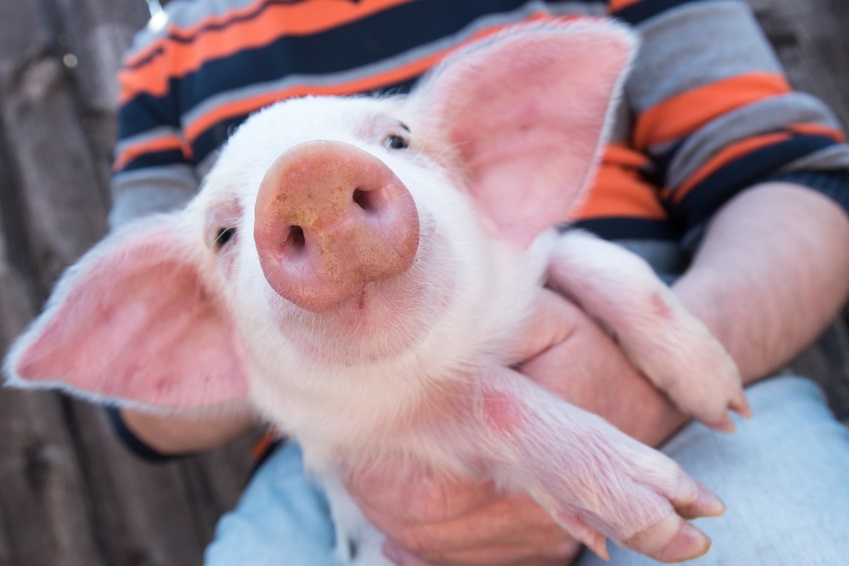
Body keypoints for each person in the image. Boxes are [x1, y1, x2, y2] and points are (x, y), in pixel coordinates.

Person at [109, 0, 849, 564]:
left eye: (397, 143)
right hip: (328, 465)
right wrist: (363, 410)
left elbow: (787, 176)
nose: (325, 222)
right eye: (225, 235)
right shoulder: (161, 59)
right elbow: (134, 380)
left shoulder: (494, 183)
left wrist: (654, 361)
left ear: (492, 150)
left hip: (692, 380)